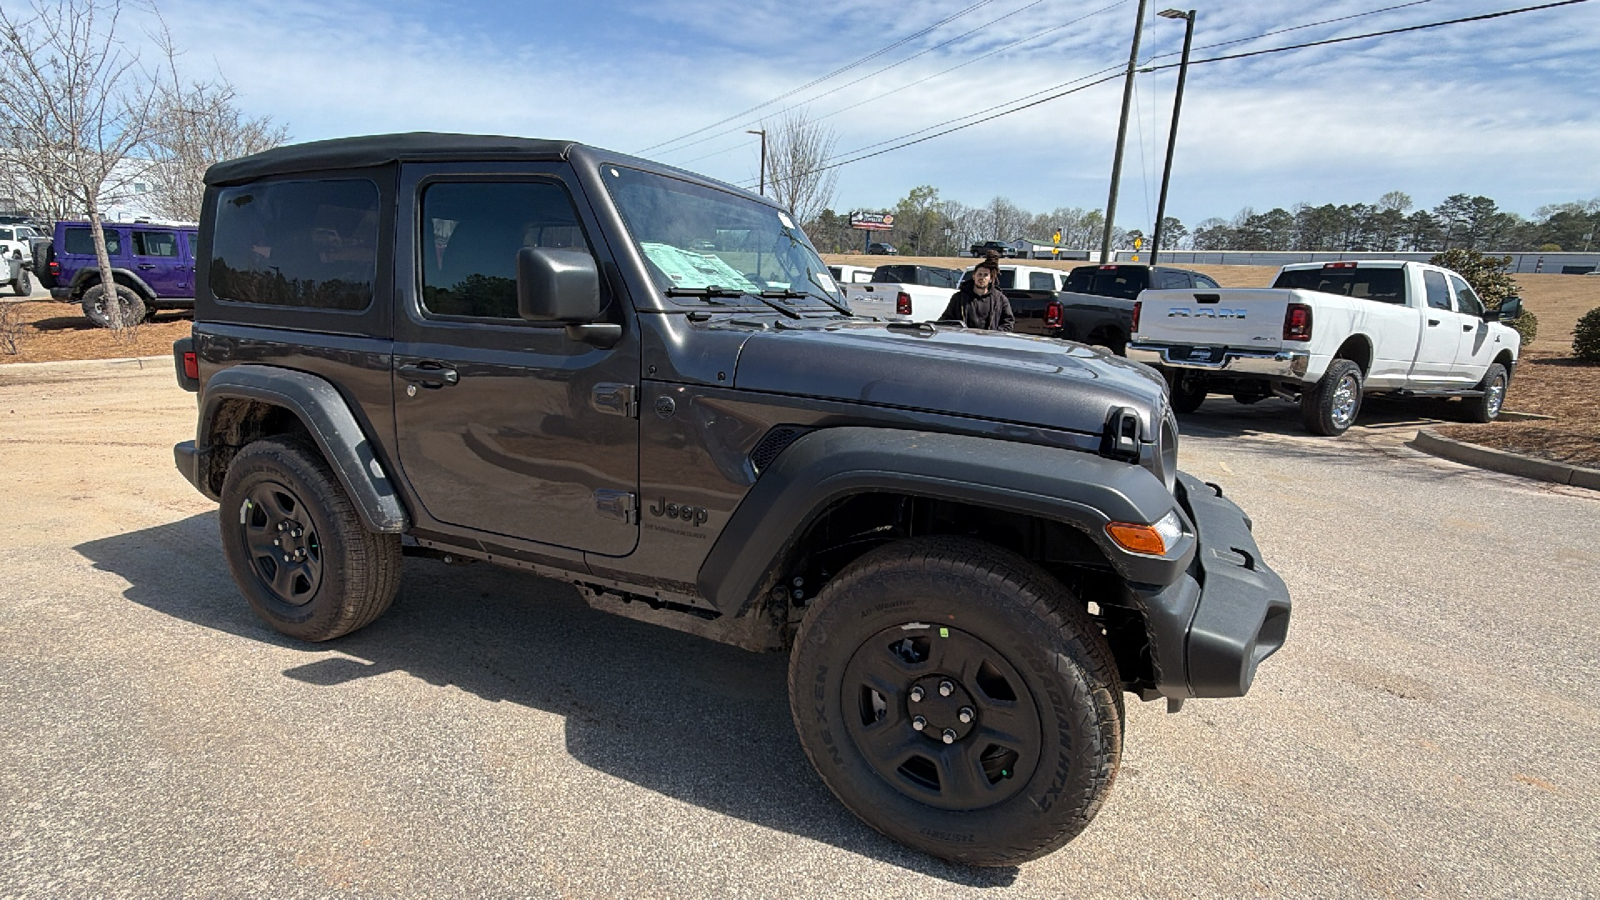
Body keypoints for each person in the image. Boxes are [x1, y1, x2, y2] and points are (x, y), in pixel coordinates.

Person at [939, 251, 1014, 331]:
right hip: (965, 340)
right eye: (979, 274)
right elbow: (946, 321)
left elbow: (1008, 323)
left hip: (989, 341)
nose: (982, 278)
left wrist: (994, 335)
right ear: (974, 276)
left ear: (991, 279)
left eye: (985, 275)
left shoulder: (1000, 300)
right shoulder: (959, 298)